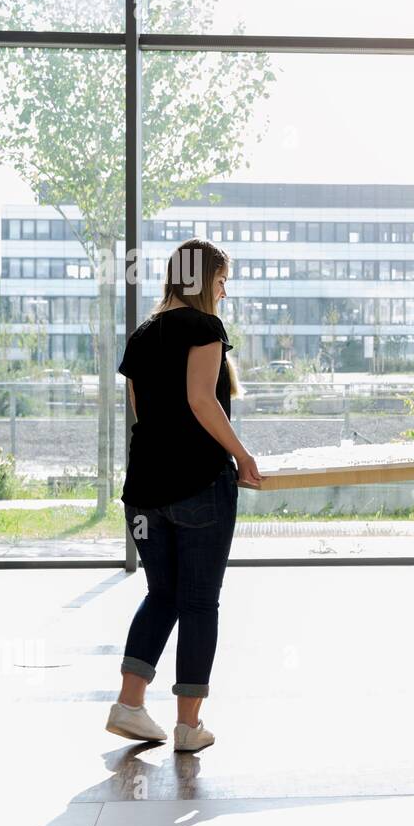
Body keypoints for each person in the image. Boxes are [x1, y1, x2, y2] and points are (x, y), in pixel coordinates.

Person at [104, 237, 262, 752]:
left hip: (143, 492)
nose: (224, 292)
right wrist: (241, 454)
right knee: (198, 603)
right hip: (197, 485)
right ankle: (188, 726)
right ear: (203, 281)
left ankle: (129, 705)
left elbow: (141, 413)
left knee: (162, 594)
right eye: (221, 281)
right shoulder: (203, 327)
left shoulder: (144, 333)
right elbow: (201, 400)